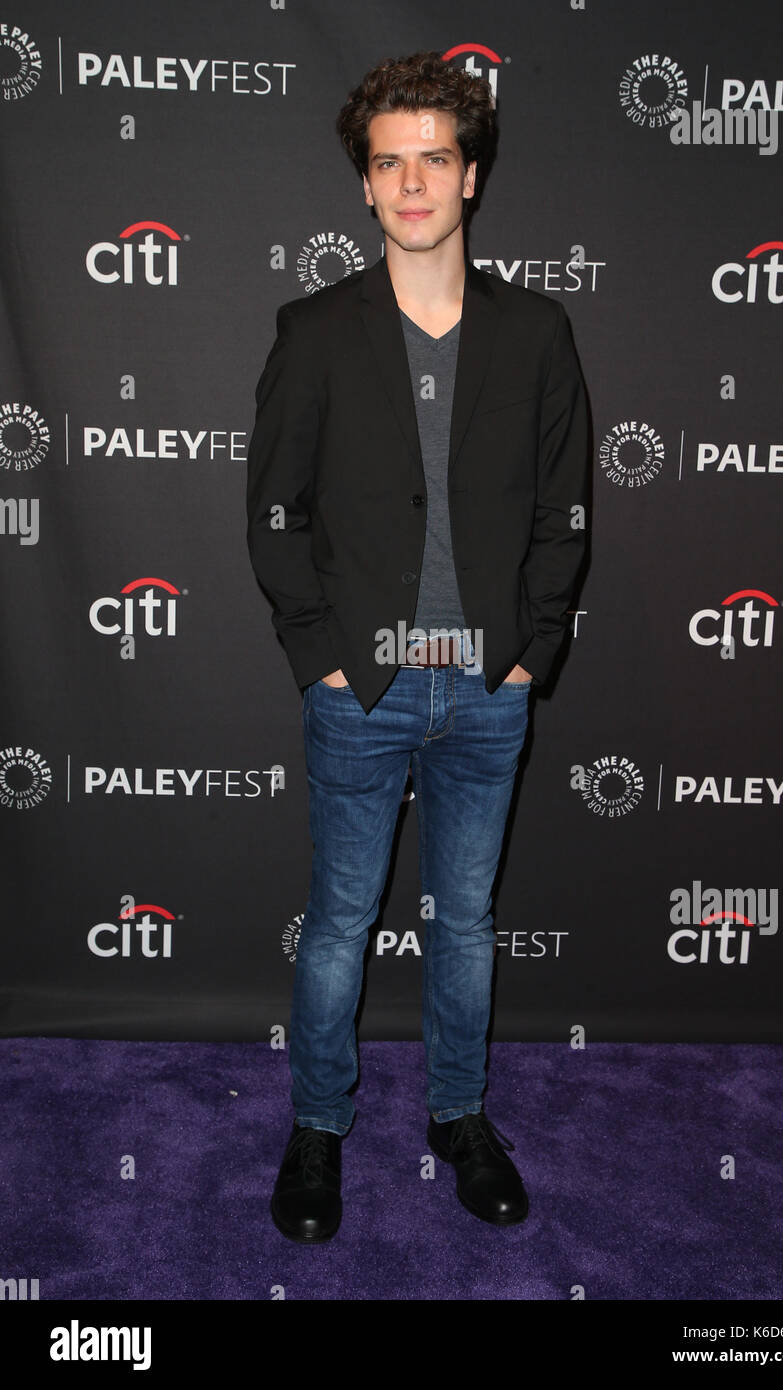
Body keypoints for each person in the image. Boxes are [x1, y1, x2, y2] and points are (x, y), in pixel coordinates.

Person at [246, 50, 591, 1243]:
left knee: (465, 920)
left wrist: (530, 650)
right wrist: (320, 654)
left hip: (488, 691)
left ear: (470, 176)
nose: (409, 183)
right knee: (339, 917)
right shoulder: (315, 329)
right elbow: (273, 511)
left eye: (431, 159)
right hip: (361, 689)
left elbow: (562, 508)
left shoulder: (537, 331)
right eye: (387, 163)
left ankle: (457, 1117)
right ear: (365, 186)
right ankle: (317, 1125)